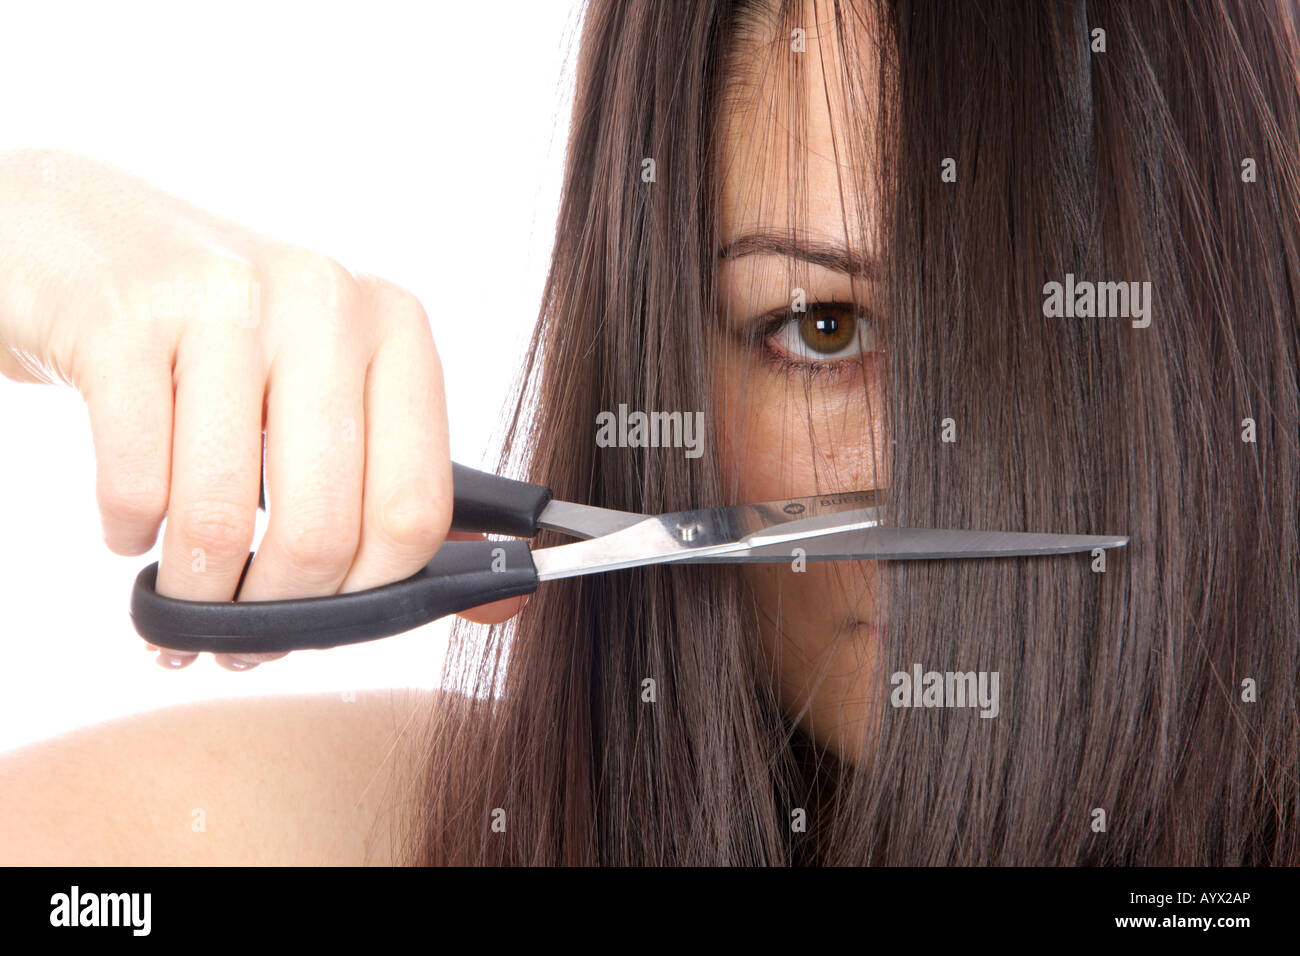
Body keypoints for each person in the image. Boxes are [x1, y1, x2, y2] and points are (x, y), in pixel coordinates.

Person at [2, 0, 1297, 866]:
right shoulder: (370, 831)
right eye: (823, 330)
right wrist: (30, 231)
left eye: (1067, 322)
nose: (935, 478)